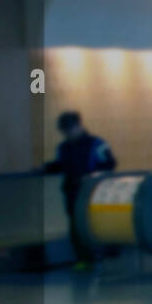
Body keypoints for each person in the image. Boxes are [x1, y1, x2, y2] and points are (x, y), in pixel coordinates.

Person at [43, 111, 116, 269]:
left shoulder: (96, 144)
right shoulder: (63, 148)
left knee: (92, 224)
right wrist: (46, 168)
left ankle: (97, 255)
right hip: (72, 192)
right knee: (76, 227)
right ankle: (83, 258)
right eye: (64, 131)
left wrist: (91, 176)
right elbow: (60, 165)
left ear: (78, 126)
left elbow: (109, 164)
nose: (67, 134)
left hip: (92, 192)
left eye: (69, 130)